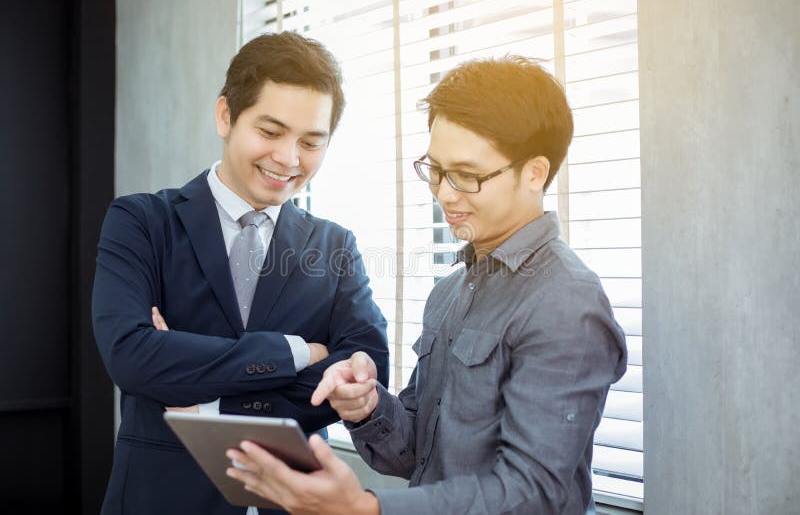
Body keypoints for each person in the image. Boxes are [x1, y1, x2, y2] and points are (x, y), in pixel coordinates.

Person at [225, 56, 628, 515]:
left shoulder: (565, 300)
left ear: (534, 172)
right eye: (435, 169)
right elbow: (417, 452)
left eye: (467, 175)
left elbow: (533, 493)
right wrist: (366, 405)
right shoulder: (451, 292)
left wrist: (367, 509)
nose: (445, 193)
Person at [92, 32, 389, 515]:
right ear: (225, 116)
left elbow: (363, 372)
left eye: (311, 142)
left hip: (290, 503)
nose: (289, 159)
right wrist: (295, 352)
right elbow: (131, 355)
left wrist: (208, 408)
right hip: (158, 499)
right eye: (270, 133)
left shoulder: (336, 246)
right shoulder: (142, 221)